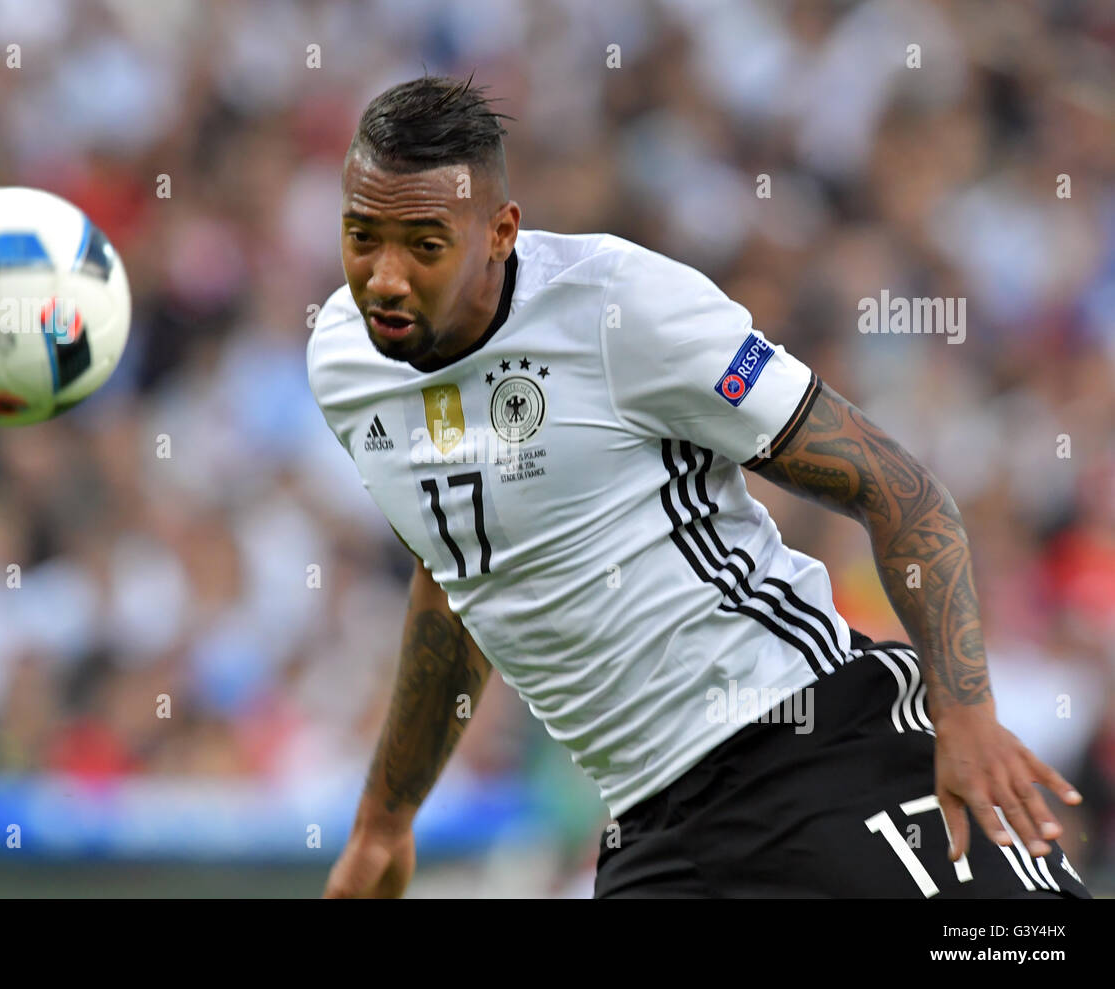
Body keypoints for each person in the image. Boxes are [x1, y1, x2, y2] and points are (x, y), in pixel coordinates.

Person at [306, 74, 1089, 898]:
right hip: (656, 831)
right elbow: (461, 573)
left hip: (813, 739)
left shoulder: (620, 306)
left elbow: (897, 486)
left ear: (500, 231)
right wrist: (384, 819)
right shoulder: (343, 363)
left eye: (424, 244)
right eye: (361, 236)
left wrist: (964, 713)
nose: (383, 277)